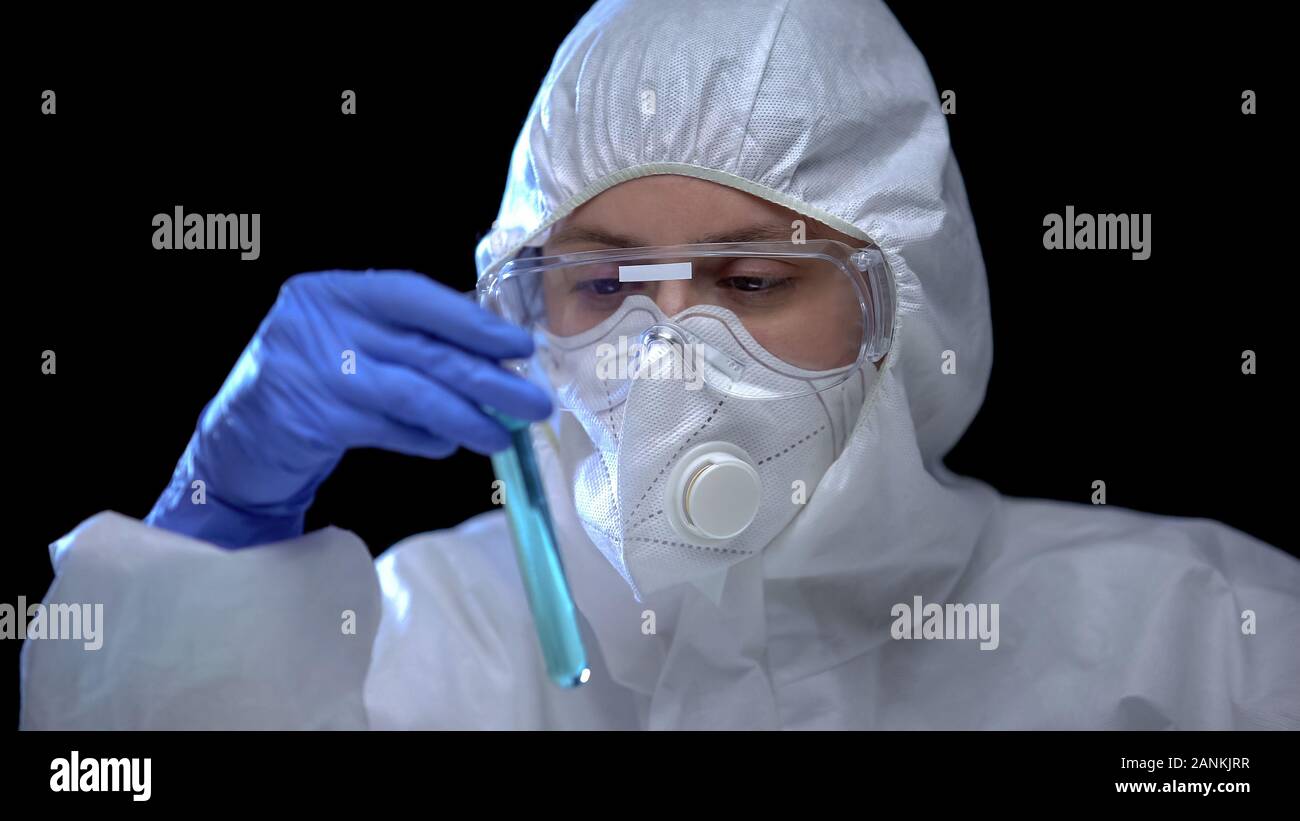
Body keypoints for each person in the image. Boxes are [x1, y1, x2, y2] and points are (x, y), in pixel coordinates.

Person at [21, 0, 1299, 730]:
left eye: (751, 282)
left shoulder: (1201, 640)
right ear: (520, 305)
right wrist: (217, 532)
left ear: (902, 302)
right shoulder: (431, 640)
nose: (671, 354)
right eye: (599, 285)